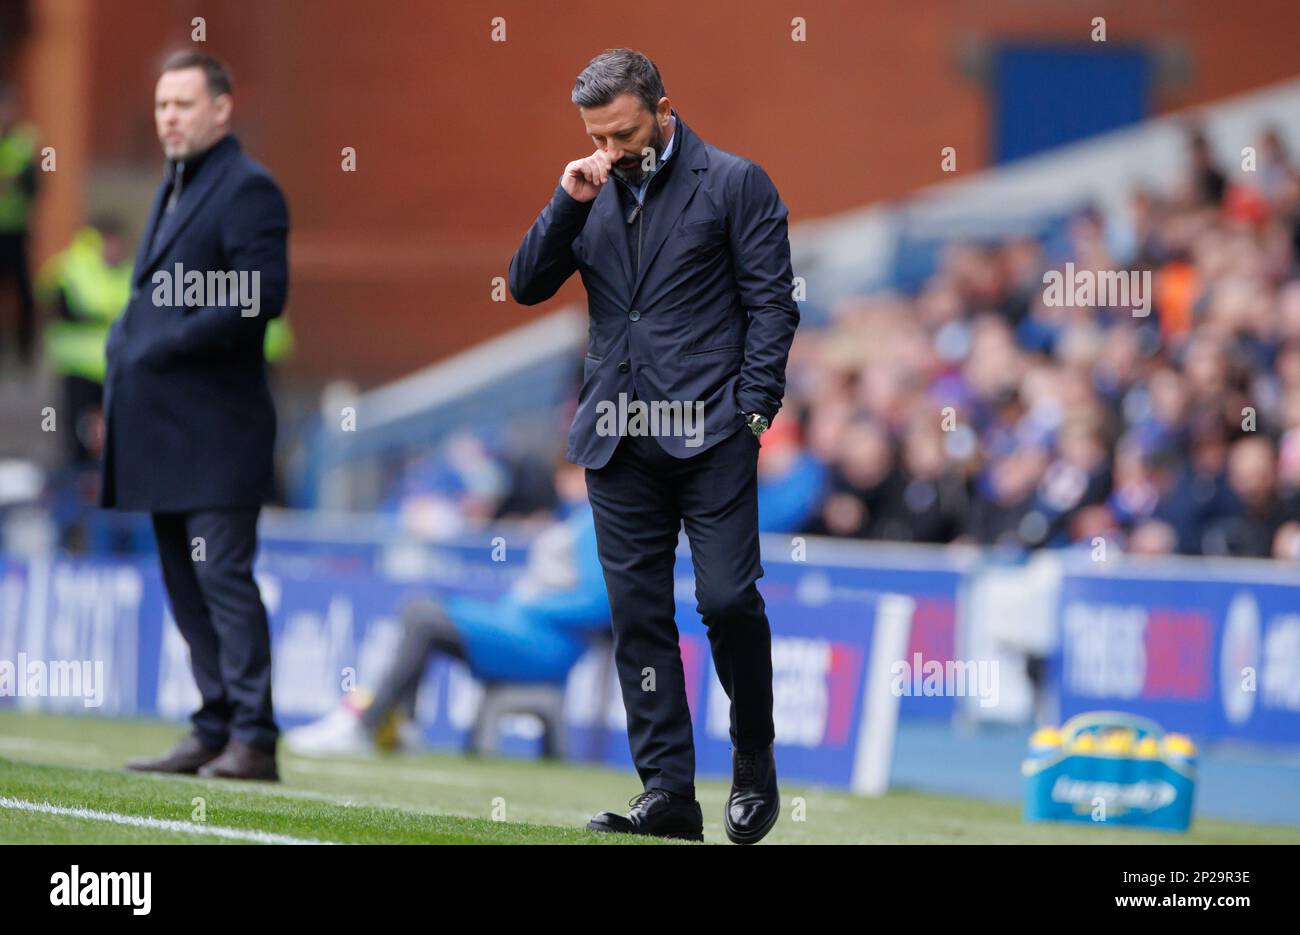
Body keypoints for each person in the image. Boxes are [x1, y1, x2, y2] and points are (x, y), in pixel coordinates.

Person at [508, 48, 798, 843]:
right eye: (597, 137)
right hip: (616, 440)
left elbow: (773, 306)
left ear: (664, 111)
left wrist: (753, 411)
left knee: (727, 601)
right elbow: (525, 283)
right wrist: (567, 202)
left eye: (625, 134)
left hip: (713, 433)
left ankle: (753, 753)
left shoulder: (735, 182)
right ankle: (668, 790)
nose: (611, 150)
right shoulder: (588, 190)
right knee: (638, 617)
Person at [103, 50, 290, 782]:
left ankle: (254, 738)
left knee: (223, 581)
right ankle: (214, 725)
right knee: (185, 584)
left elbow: (259, 294)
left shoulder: (247, 188)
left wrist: (163, 344)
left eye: (183, 104)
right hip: (164, 433)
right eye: (161, 105)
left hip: (218, 434)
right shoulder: (175, 184)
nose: (169, 118)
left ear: (221, 108)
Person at [285, 460, 609, 757]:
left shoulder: (592, 522)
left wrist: (534, 608)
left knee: (423, 617)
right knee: (420, 609)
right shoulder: (576, 517)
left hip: (543, 645)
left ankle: (365, 725)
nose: (564, 479)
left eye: (575, 470)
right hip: (524, 631)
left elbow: (600, 603)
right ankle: (398, 725)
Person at [37, 218, 131, 465]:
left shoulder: (126, 271)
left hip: (113, 365)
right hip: (78, 364)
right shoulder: (71, 268)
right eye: (112, 243)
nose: (116, 250)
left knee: (112, 435)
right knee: (76, 435)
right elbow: (55, 303)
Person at [0, 84, 38, 366]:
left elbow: (41, 179)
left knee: (24, 291)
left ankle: (26, 351)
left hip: (16, 230)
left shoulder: (27, 140)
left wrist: (19, 181)